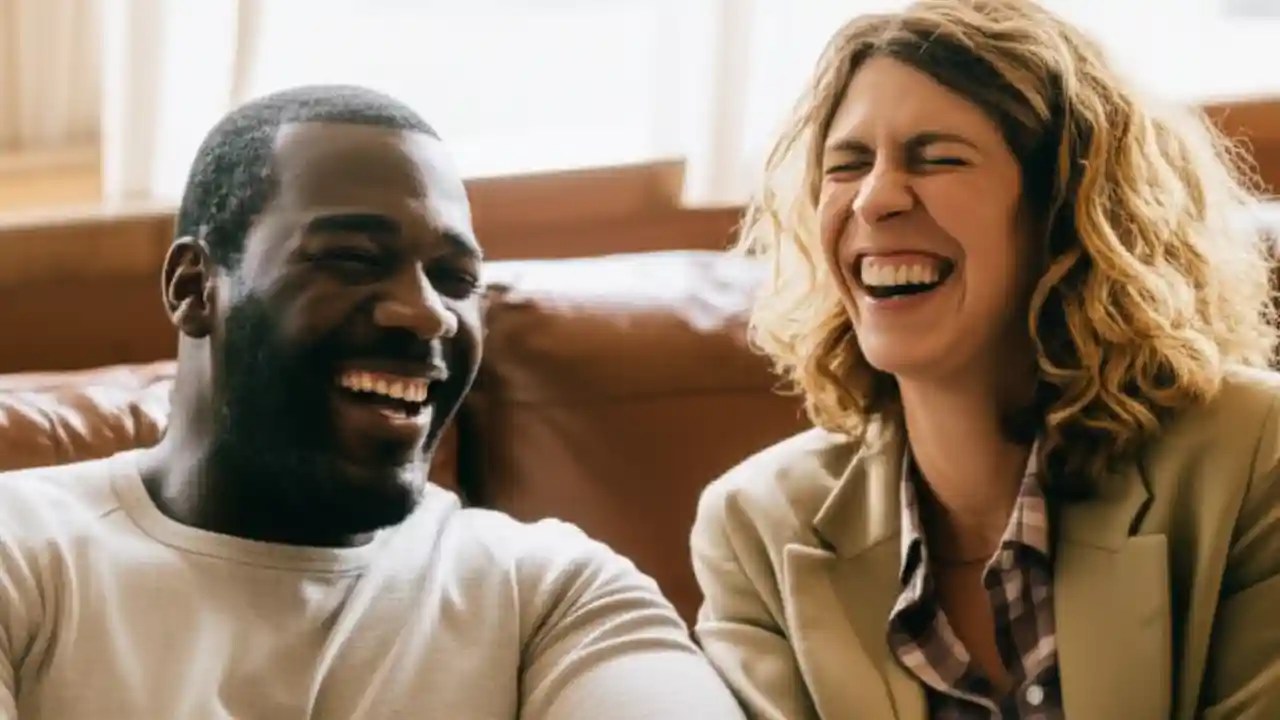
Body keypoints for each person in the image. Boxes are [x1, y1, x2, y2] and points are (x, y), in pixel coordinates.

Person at [0, 85, 746, 720]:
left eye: (455, 277)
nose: (426, 315)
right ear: (197, 288)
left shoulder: (550, 592)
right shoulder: (23, 550)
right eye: (353, 259)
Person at [689, 1, 1280, 718]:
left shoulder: (1256, 458)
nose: (874, 200)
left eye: (937, 158)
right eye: (847, 165)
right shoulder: (756, 529)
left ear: (1069, 208)